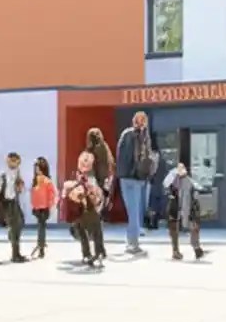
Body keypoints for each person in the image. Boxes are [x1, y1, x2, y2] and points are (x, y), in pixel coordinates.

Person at [115, 111, 157, 254]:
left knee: (134, 211)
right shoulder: (140, 136)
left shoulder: (128, 134)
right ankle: (133, 242)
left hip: (129, 177)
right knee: (135, 211)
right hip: (133, 177)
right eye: (141, 120)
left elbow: (119, 155)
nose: (141, 123)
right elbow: (140, 156)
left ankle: (132, 241)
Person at [64, 150, 107, 266]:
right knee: (85, 232)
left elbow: (98, 193)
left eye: (87, 163)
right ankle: (89, 254)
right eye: (83, 162)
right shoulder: (76, 176)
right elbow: (68, 189)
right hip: (81, 209)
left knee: (96, 230)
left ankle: (98, 252)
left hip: (90, 207)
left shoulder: (91, 177)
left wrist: (93, 194)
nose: (85, 165)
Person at [0, 151, 28, 263]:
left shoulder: (17, 172)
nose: (16, 164)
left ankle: (15, 248)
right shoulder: (2, 173)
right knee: (14, 226)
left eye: (17, 162)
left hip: (14, 202)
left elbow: (19, 188)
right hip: (6, 203)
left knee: (20, 223)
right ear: (8, 160)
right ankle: (15, 254)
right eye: (14, 161)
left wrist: (20, 185)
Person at [163, 162, 205, 261]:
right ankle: (183, 250)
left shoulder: (186, 182)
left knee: (187, 224)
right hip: (178, 205)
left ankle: (188, 249)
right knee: (179, 225)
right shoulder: (179, 180)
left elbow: (165, 185)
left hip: (182, 205)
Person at [30, 156, 56, 259]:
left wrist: (50, 205)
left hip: (44, 208)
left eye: (39, 168)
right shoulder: (35, 180)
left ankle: (41, 246)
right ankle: (41, 244)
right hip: (37, 207)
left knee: (41, 227)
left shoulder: (47, 181)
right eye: (36, 168)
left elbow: (52, 194)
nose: (37, 170)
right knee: (40, 227)